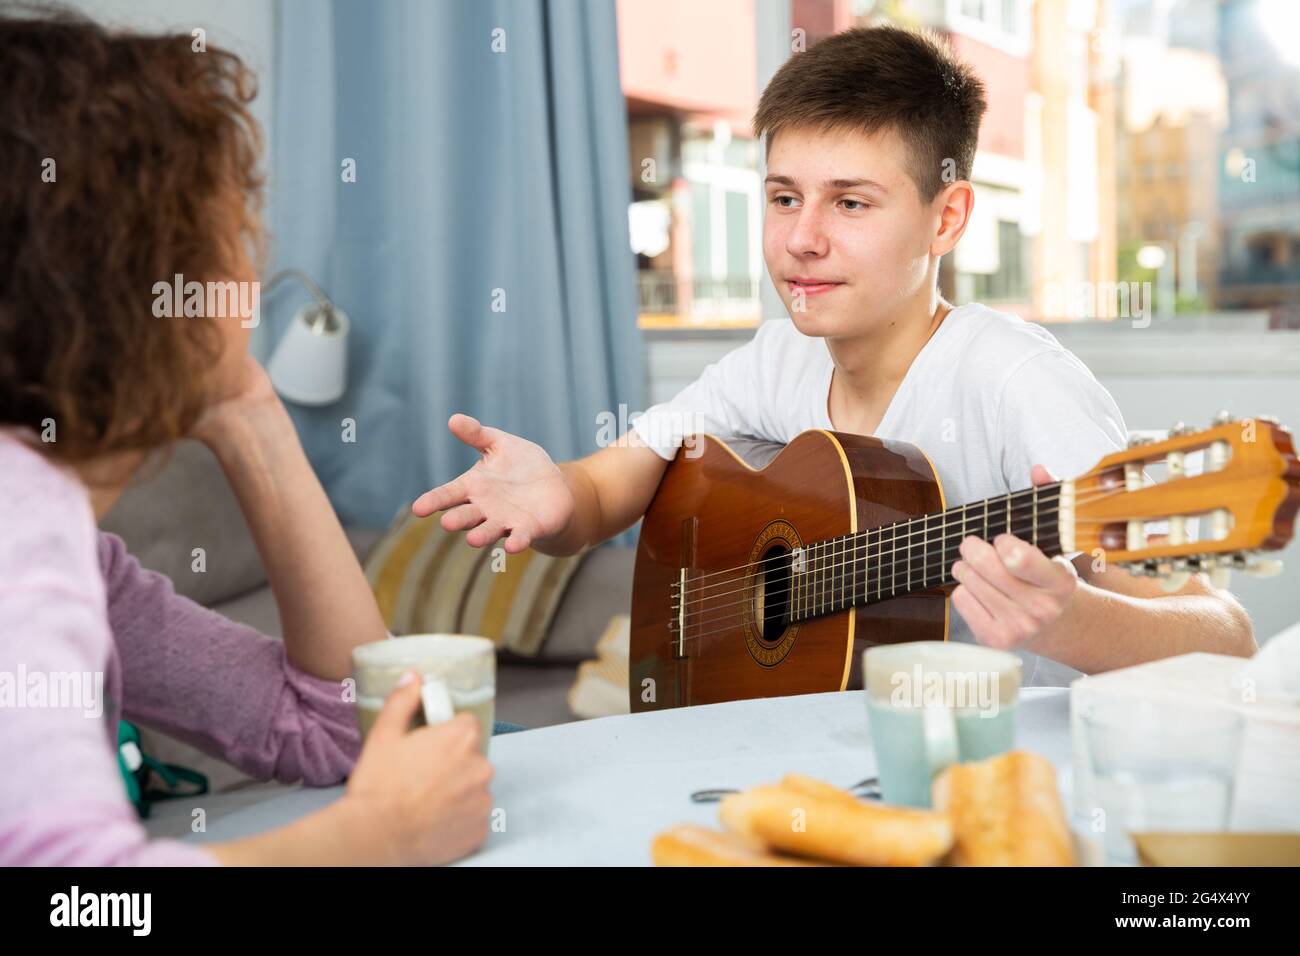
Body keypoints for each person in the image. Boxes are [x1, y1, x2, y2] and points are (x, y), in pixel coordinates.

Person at [414, 26, 1254, 687]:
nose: (802, 240)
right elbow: (617, 480)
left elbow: (1226, 638)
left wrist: (1072, 622)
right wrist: (560, 496)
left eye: (850, 202)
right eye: (784, 197)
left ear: (947, 218)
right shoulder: (779, 358)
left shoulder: (1018, 387)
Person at [0, 10, 491, 865]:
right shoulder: (19, 521)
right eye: (234, 231)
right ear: (140, 278)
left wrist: (247, 407)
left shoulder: (78, 555)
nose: (253, 265)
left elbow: (337, 727)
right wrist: (373, 837)